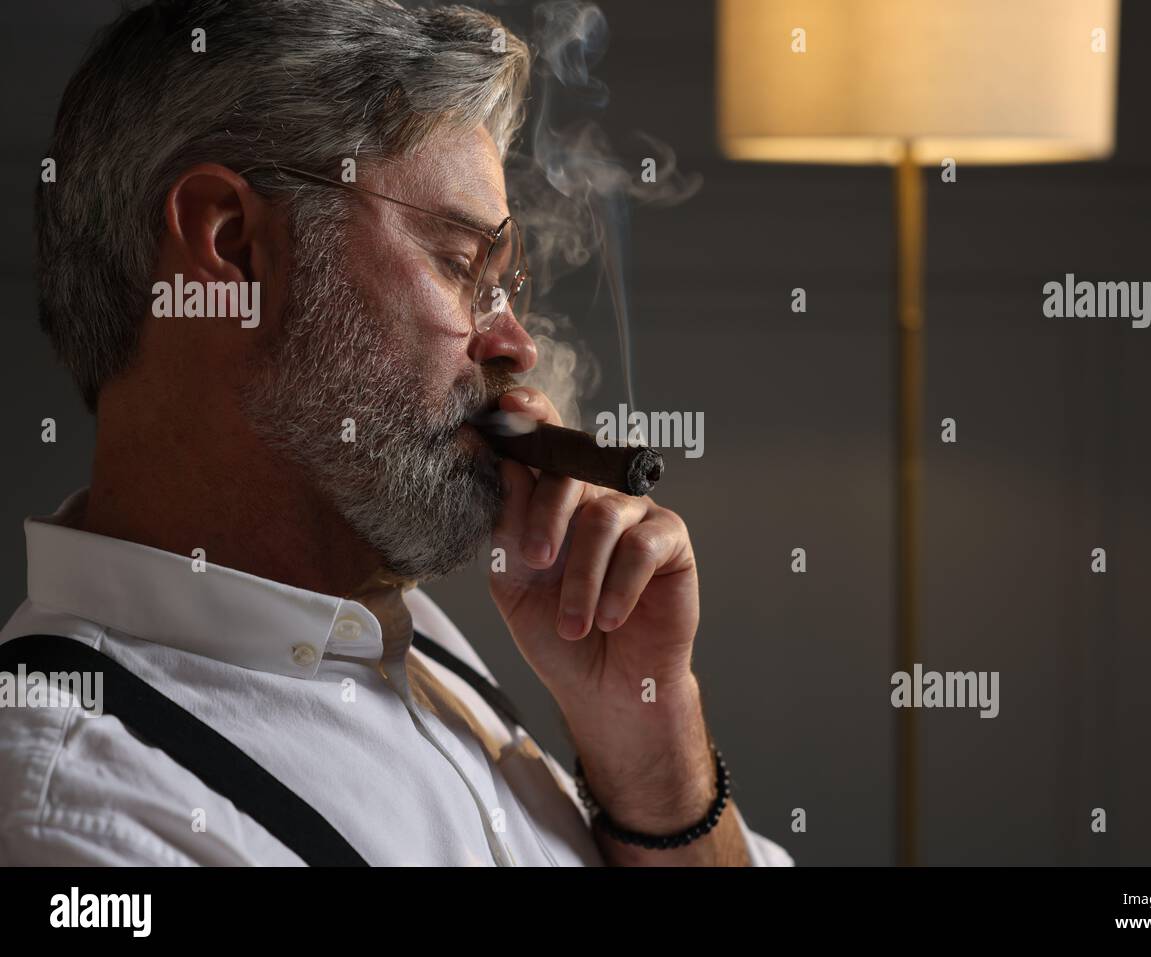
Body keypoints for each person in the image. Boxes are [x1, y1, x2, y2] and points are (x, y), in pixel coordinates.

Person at [0, 0, 793, 866]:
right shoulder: (82, 821)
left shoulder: (399, 633)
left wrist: (651, 752)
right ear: (231, 253)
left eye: (503, 278)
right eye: (460, 264)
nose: (516, 342)